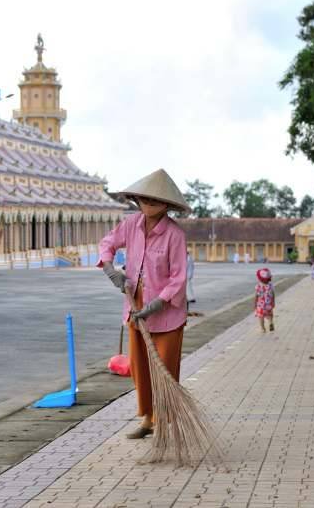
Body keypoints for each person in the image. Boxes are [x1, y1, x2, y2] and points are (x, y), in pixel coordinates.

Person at [98, 168, 190, 440]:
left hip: (166, 312)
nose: (149, 203)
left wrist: (158, 303)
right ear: (137, 199)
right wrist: (109, 268)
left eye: (156, 200)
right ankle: (148, 419)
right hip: (135, 307)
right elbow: (107, 243)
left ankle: (164, 421)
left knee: (164, 369)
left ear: (167, 205)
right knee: (140, 369)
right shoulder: (131, 225)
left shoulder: (175, 235)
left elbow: (179, 277)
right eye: (145, 198)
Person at [255, 267, 275, 332]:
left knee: (261, 317)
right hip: (268, 303)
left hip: (260, 305)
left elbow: (256, 296)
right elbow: (273, 294)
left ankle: (263, 328)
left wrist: (255, 304)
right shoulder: (270, 285)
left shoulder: (258, 286)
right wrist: (273, 302)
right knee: (270, 314)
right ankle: (270, 322)